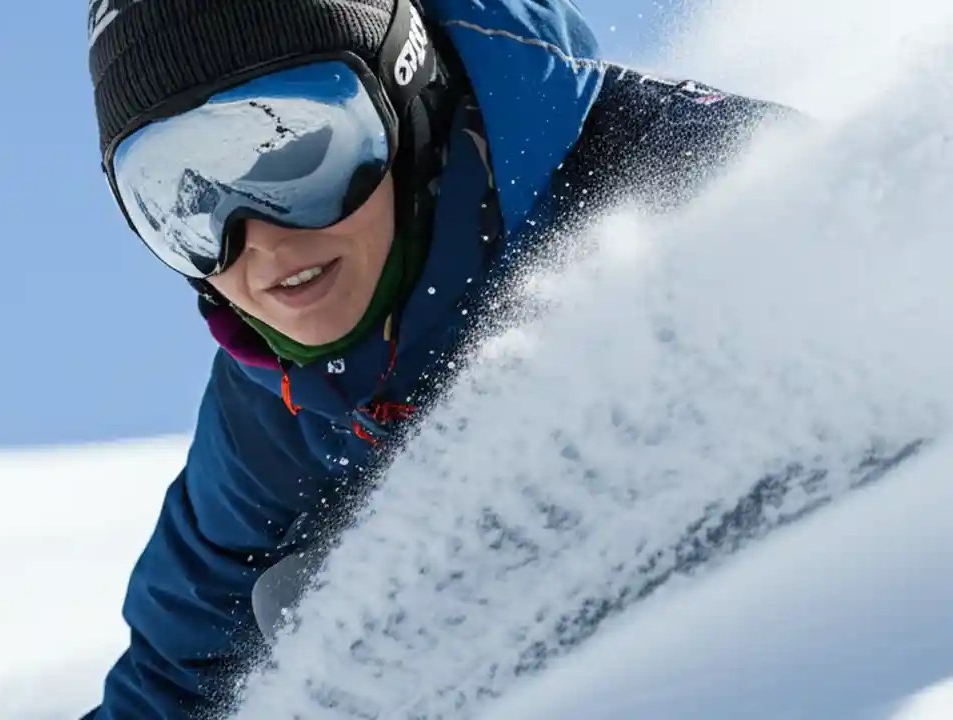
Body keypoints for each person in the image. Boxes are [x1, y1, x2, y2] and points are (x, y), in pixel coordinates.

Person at [81, 0, 789, 717]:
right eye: (183, 201)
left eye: (297, 151)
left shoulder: (681, 179)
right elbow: (174, 678)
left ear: (404, 92)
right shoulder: (269, 403)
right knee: (301, 607)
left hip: (760, 651)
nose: (257, 240)